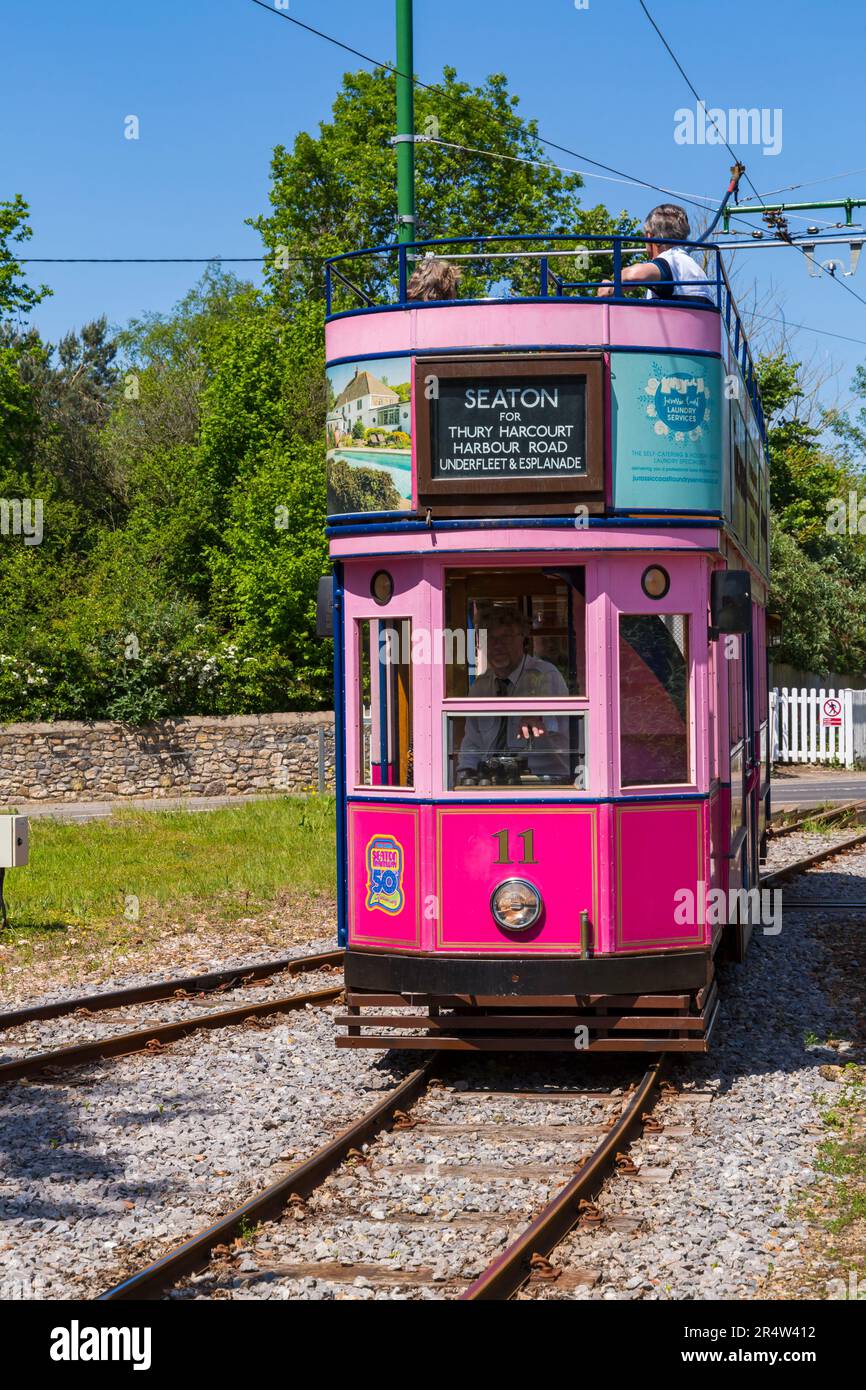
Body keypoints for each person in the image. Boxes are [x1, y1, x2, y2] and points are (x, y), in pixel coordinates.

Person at [456, 606, 571, 785]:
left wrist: (537, 716)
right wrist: (465, 774)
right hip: (492, 781)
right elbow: (472, 742)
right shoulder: (481, 687)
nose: (497, 644)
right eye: (490, 638)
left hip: (543, 781)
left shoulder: (545, 674)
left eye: (506, 637)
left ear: (523, 640)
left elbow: (551, 722)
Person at [596, 204, 712, 303]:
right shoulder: (696, 269)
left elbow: (633, 275)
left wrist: (611, 286)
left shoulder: (670, 261)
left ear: (649, 236)